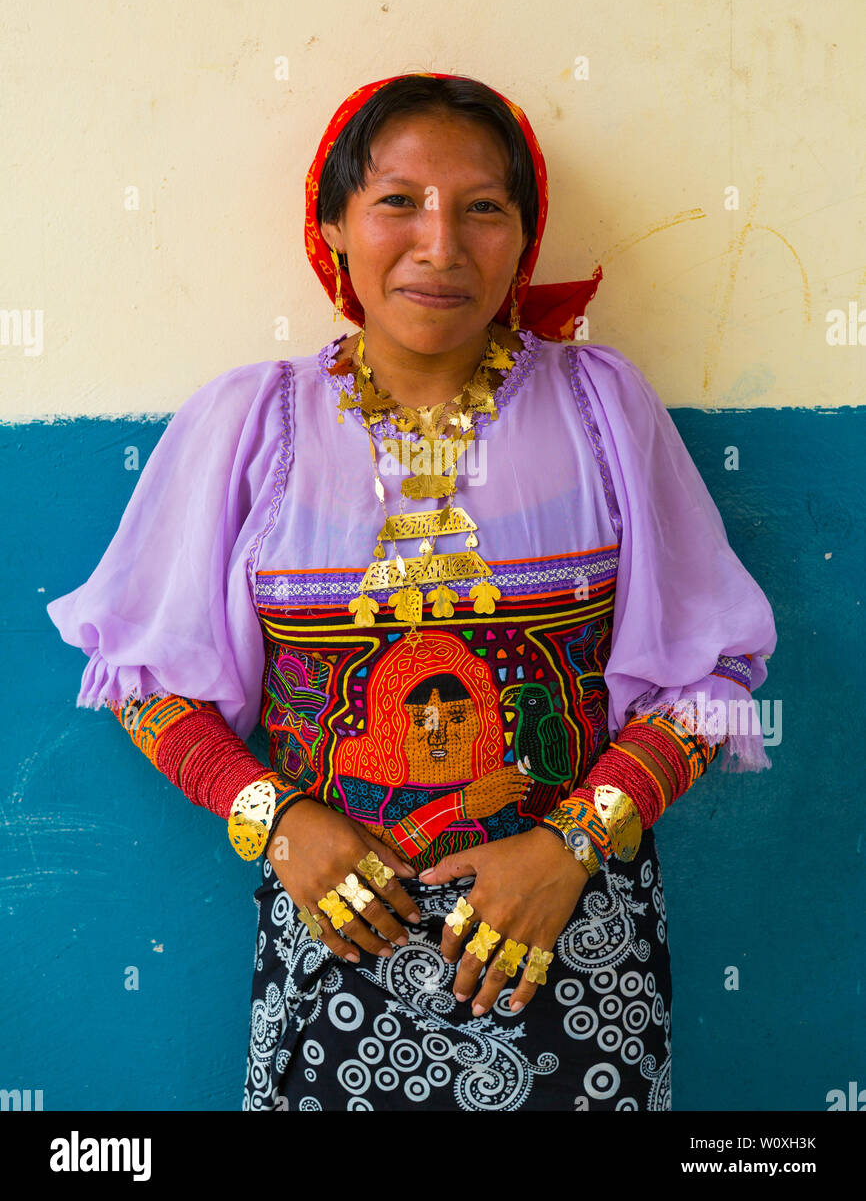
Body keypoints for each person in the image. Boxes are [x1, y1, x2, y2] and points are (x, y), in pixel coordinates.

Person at [47, 70, 777, 1112]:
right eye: (397, 201)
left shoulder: (600, 409)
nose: (439, 244)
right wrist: (277, 818)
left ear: (522, 239)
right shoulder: (251, 425)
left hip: (573, 955)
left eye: (482, 207)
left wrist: (568, 848)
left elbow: (709, 680)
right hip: (333, 960)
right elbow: (138, 677)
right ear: (333, 224)